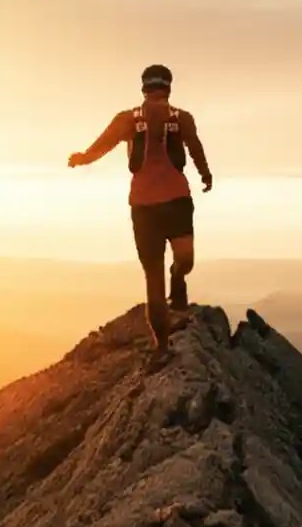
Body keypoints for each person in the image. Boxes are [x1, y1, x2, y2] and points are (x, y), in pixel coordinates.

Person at [68, 64, 212, 352]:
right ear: (148, 90)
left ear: (165, 90)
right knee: (159, 275)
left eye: (160, 89)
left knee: (176, 266)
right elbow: (104, 144)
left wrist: (205, 172)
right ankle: (161, 346)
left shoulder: (181, 119)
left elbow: (194, 147)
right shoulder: (129, 120)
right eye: (154, 88)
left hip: (170, 201)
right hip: (148, 207)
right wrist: (84, 158)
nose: (157, 94)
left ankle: (177, 279)